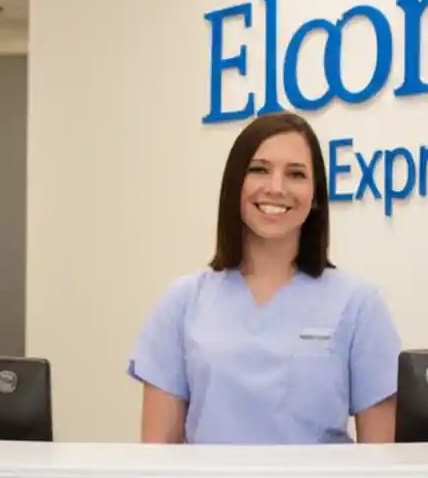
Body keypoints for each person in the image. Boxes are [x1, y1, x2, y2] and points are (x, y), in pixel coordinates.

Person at [126, 111, 402, 445]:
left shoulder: (358, 304)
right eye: (259, 170)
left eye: (296, 174)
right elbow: (158, 457)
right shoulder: (182, 302)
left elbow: (380, 465)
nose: (276, 188)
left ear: (315, 196)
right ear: (235, 184)